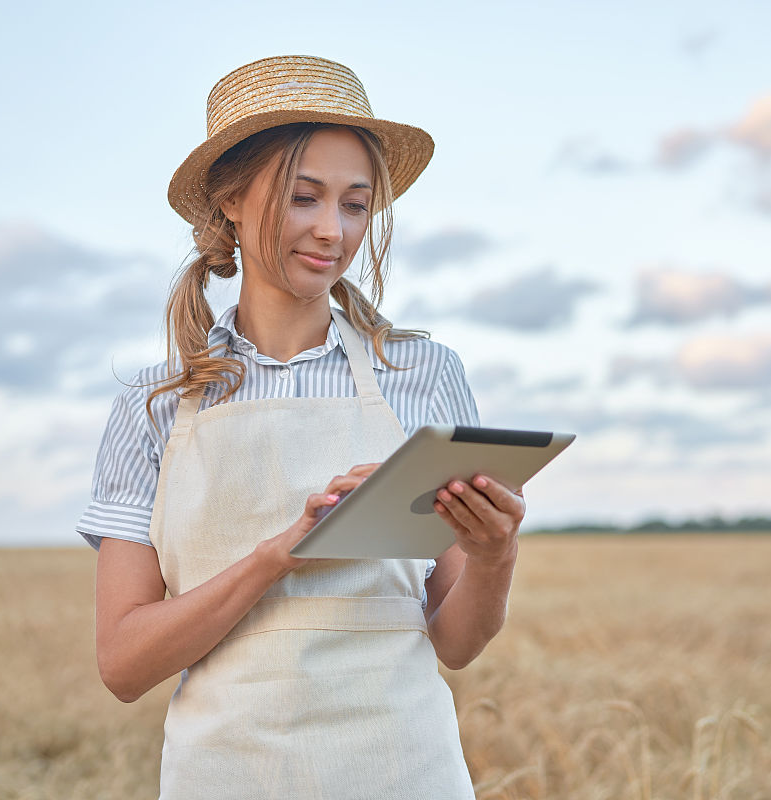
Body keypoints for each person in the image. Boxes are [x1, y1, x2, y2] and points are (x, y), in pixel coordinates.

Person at [77, 55, 525, 799]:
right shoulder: (154, 406)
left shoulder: (425, 376)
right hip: (226, 776)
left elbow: (455, 641)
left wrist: (494, 552)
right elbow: (124, 665)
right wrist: (278, 556)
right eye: (303, 197)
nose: (332, 231)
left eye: (355, 205)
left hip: (404, 771)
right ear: (229, 199)